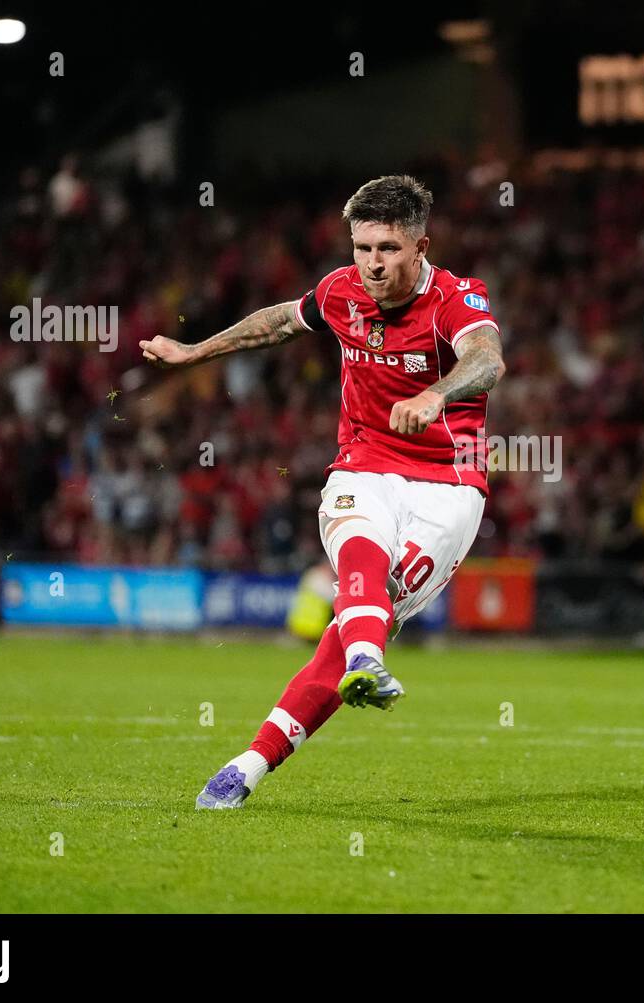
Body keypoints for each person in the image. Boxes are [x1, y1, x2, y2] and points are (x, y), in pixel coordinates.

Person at [138, 176, 506, 809]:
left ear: (421, 247)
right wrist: (196, 350)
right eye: (363, 248)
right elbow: (279, 322)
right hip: (364, 461)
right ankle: (359, 667)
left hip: (450, 482)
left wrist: (435, 393)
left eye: (388, 248)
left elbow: (488, 362)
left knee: (362, 611)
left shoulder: (456, 299)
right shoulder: (341, 292)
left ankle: (261, 752)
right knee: (359, 549)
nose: (372, 264)